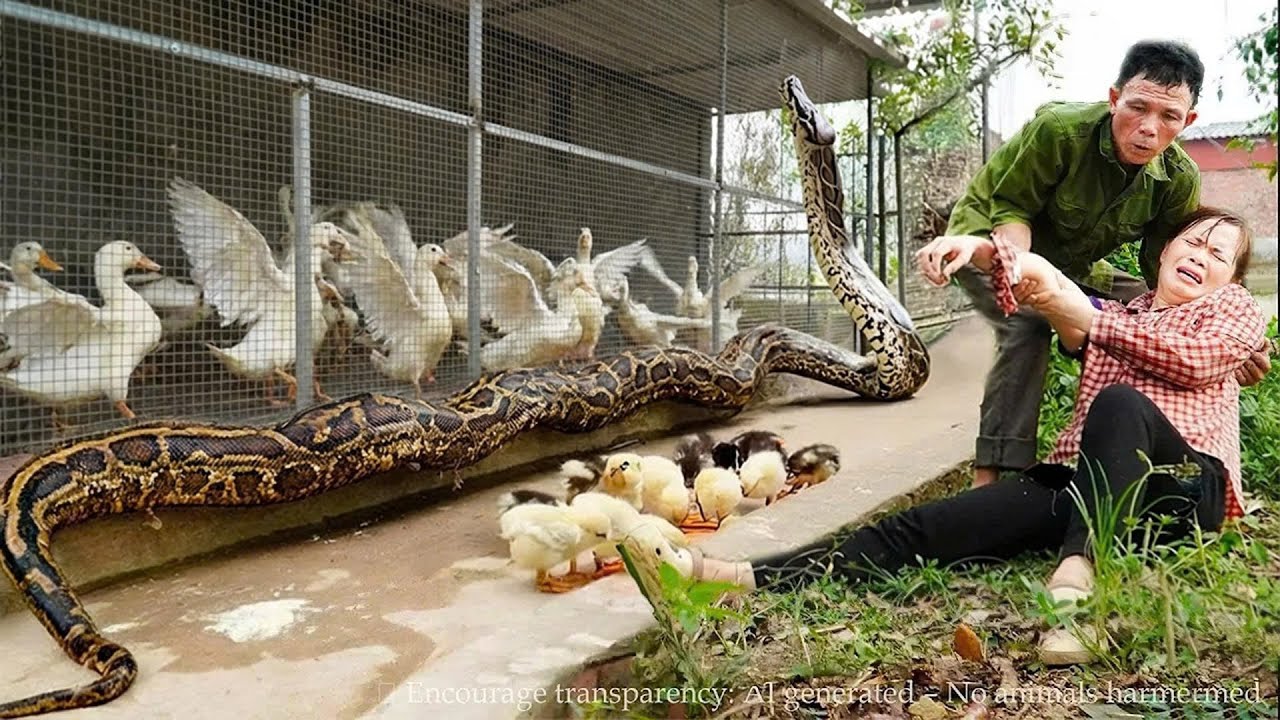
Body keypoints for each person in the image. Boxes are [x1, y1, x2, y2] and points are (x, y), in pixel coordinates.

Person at [673, 206, 1268, 665]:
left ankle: (1076, 584)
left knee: (1119, 404)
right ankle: (746, 577)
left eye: (1218, 253)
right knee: (923, 527)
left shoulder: (1234, 311)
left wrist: (1092, 320)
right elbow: (1048, 281)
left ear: (1232, 278)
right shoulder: (1118, 312)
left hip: (1180, 490)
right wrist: (978, 248)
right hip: (1084, 487)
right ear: (1165, 250)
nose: (1201, 255)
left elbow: (1195, 360)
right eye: (1193, 241)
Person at [917, 38, 1272, 488]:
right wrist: (1025, 276)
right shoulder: (1058, 131)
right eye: (1137, 108)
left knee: (1132, 305)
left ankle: (1123, 443)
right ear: (1114, 99)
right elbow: (1011, 210)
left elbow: (1167, 277)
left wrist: (1233, 343)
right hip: (985, 238)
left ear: (1189, 121)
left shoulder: (1178, 178)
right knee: (1028, 323)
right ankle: (993, 475)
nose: (1149, 128)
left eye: (1169, 117)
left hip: (1071, 261)